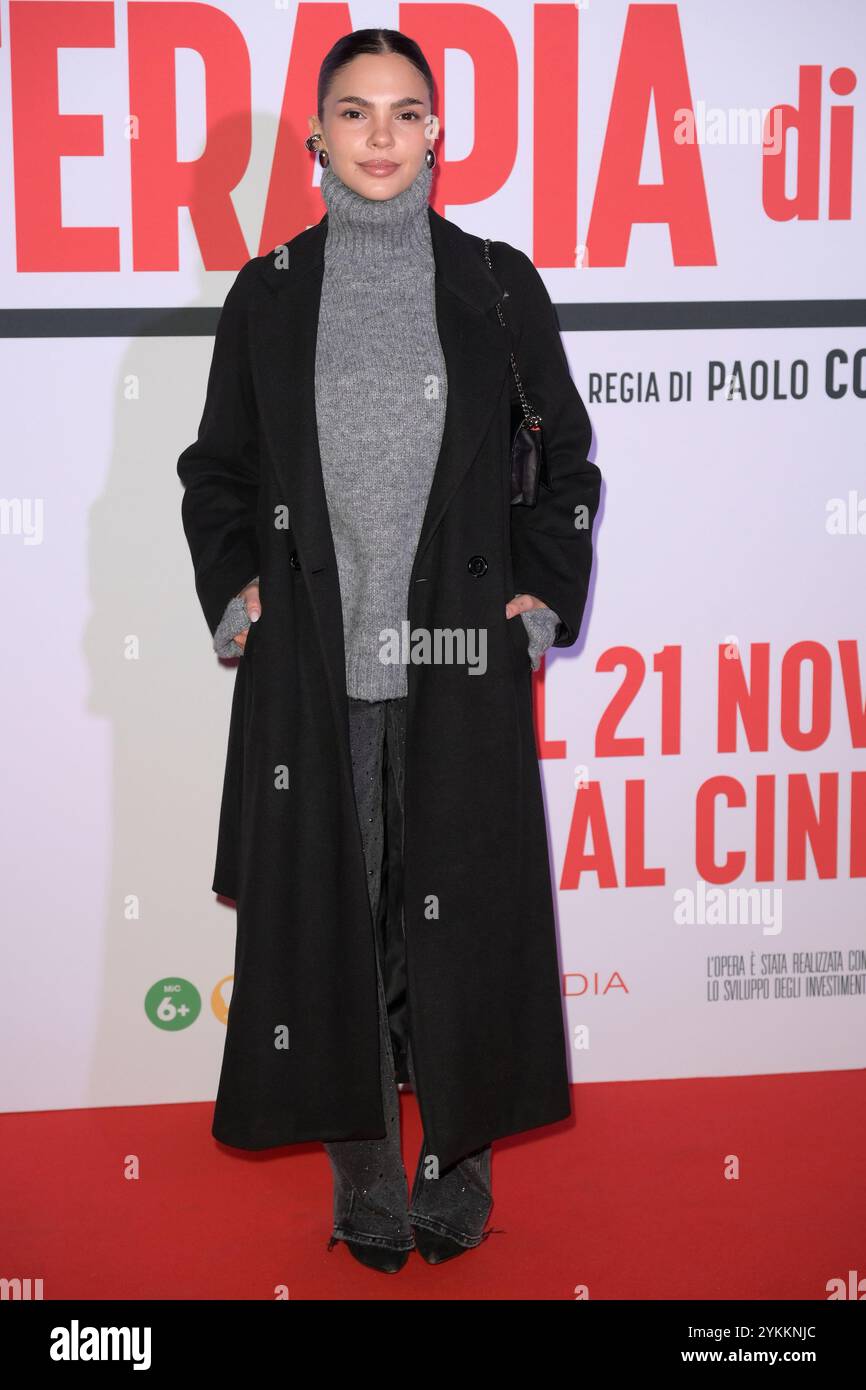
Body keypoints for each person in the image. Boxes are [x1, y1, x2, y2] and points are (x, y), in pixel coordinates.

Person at [177, 27, 601, 1276]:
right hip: (316, 663)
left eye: (403, 112)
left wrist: (537, 598)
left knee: (456, 919)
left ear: (435, 134)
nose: (377, 135)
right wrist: (235, 588)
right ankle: (361, 1164)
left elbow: (563, 464)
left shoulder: (497, 282)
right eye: (352, 112)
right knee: (334, 923)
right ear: (314, 137)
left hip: (457, 657)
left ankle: (450, 1161)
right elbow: (217, 471)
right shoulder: (267, 290)